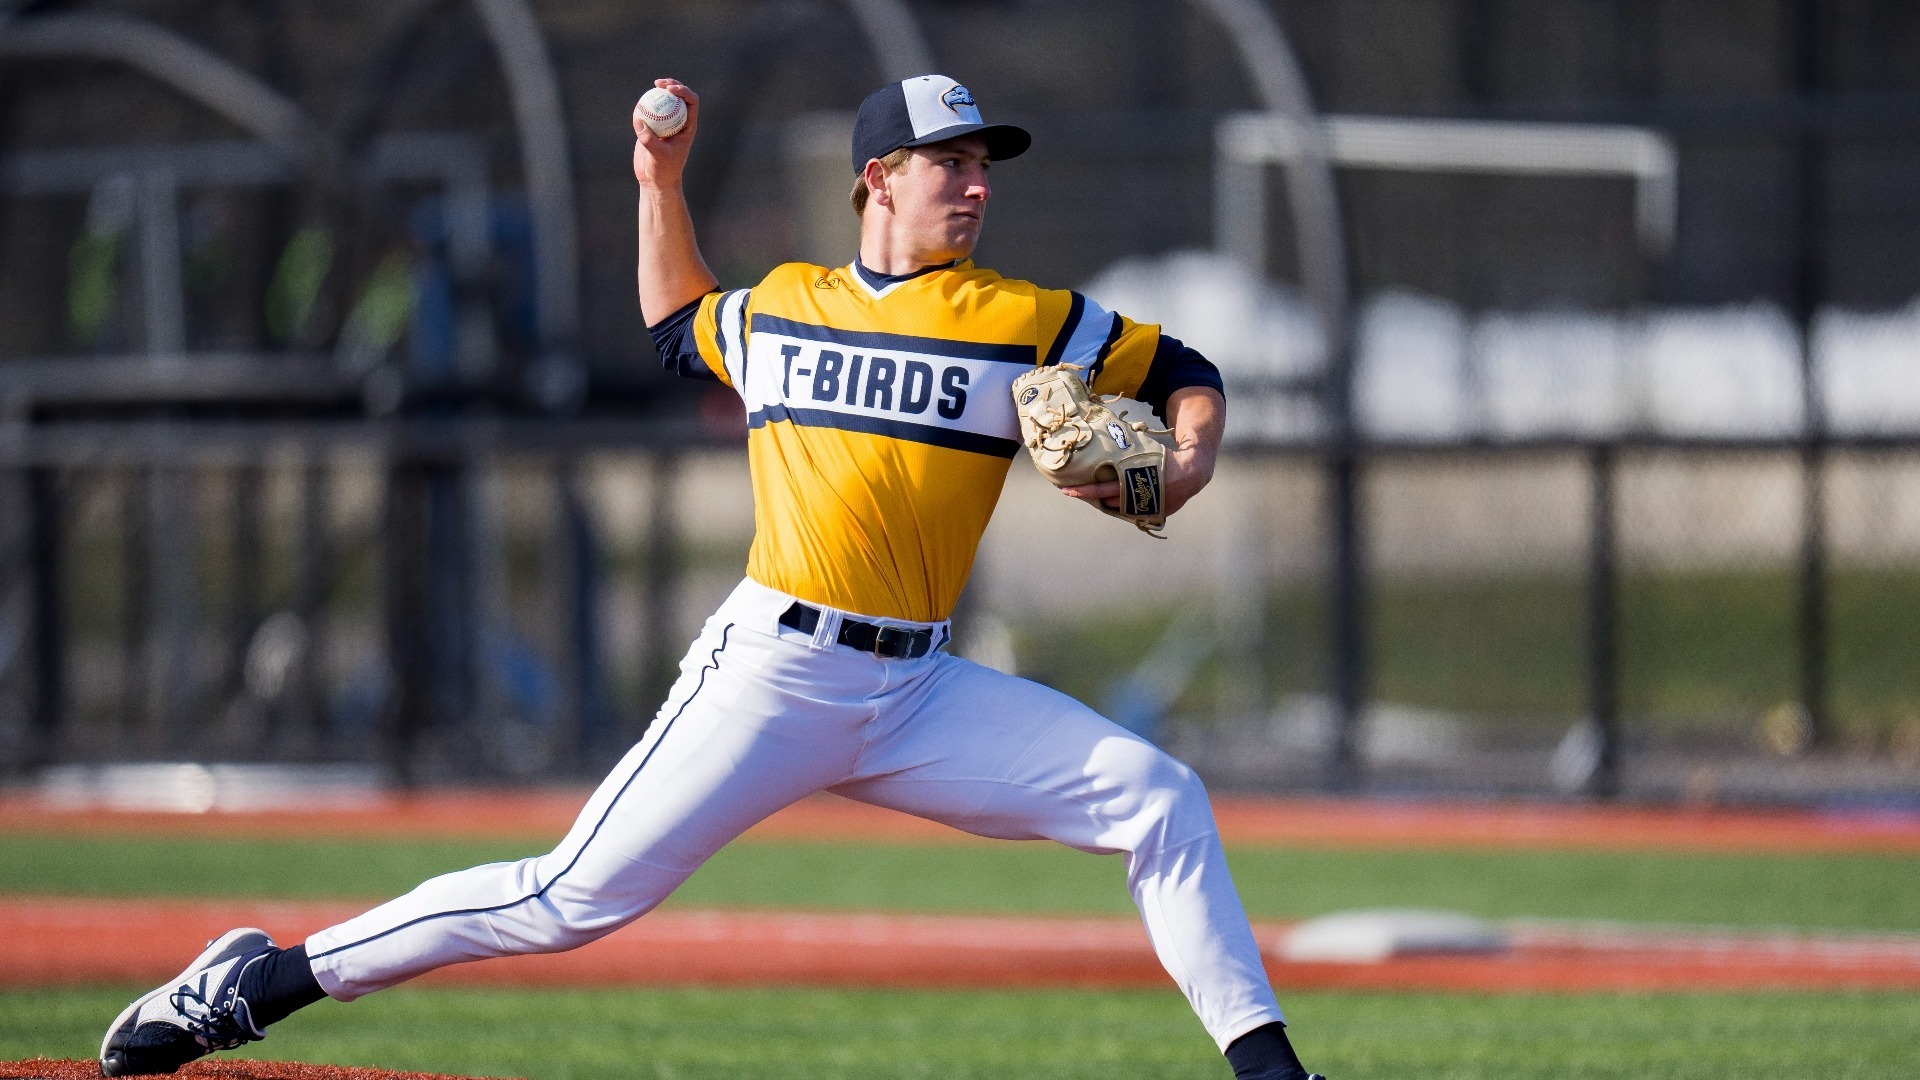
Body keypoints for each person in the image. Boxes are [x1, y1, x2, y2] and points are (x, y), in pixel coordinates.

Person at [98, 74, 1322, 1080]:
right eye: (949, 160)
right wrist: (657, 184)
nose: (975, 181)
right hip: (775, 673)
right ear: (877, 180)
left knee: (1158, 798)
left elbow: (1185, 367)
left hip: (921, 693)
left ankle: (1273, 1075)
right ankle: (256, 985)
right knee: (566, 899)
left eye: (983, 162)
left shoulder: (1025, 317)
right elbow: (676, 320)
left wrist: (1191, 458)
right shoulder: (786, 305)